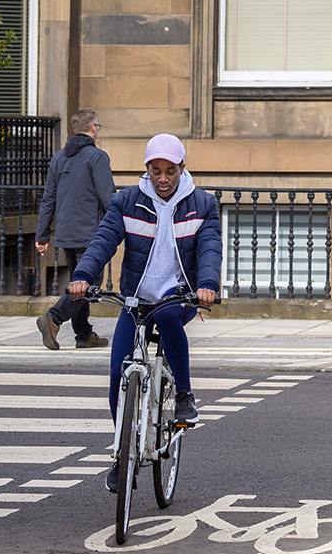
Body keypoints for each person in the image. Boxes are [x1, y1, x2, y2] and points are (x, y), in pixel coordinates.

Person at [67, 134, 222, 493]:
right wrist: (82, 276)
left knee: (168, 318)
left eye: (170, 170)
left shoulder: (202, 204)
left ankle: (183, 395)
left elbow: (211, 246)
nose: (163, 178)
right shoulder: (127, 201)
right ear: (147, 170)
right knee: (118, 374)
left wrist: (208, 284)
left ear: (182, 169)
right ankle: (122, 456)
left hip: (179, 295)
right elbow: (104, 240)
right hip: (137, 298)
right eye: (156, 171)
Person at [35, 109, 115, 350]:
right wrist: (123, 223)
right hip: (90, 234)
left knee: (78, 282)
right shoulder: (97, 157)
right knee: (88, 284)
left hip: (66, 234)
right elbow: (108, 197)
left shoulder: (58, 158)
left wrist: (41, 235)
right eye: (97, 126)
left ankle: (83, 334)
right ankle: (53, 318)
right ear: (93, 128)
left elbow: (48, 198)